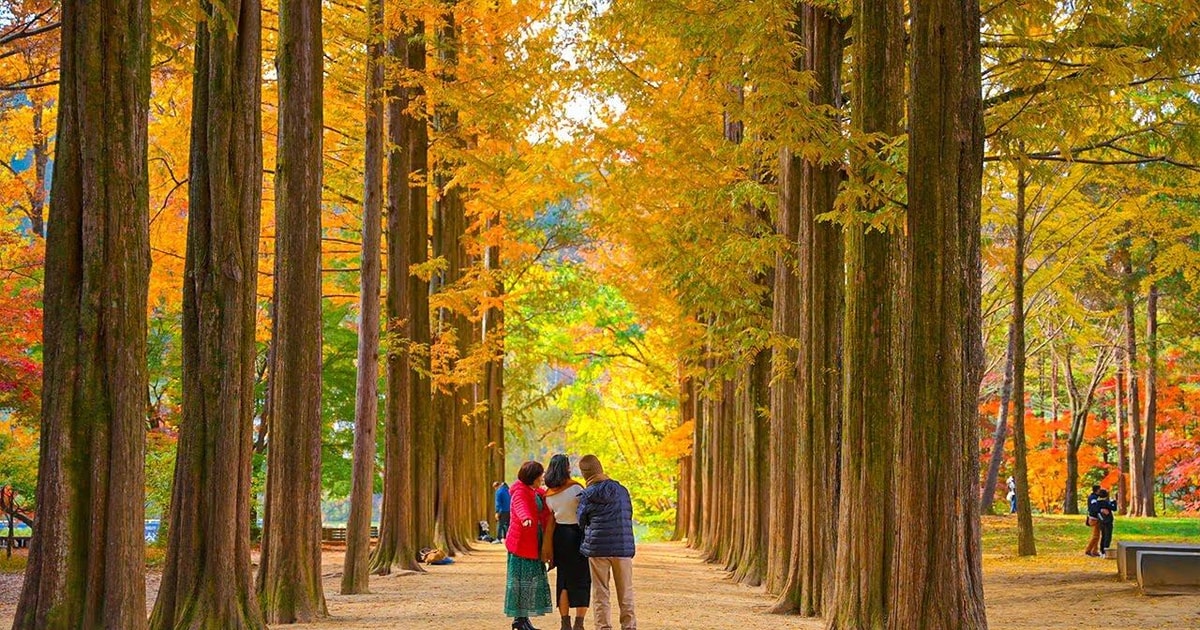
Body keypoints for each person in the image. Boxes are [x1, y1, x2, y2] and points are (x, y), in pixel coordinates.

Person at [577, 454, 636, 630]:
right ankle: (629, 626)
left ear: (585, 474)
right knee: (626, 592)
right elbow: (628, 514)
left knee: (600, 593)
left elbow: (581, 520)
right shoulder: (622, 490)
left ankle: (603, 627)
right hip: (622, 547)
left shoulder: (587, 494)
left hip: (597, 549)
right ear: (600, 468)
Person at [543, 454, 591, 630]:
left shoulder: (548, 494)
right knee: (582, 578)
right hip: (578, 535)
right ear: (566, 468)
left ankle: (565, 623)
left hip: (560, 537)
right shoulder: (576, 488)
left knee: (563, 579)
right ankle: (579, 623)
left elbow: (551, 515)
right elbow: (586, 511)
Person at [505, 462, 553, 630]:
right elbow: (520, 506)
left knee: (529, 583)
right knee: (522, 583)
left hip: (532, 545)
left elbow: (545, 500)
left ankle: (523, 620)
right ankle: (519, 620)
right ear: (533, 477)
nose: (542, 477)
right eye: (540, 475)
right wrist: (526, 518)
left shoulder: (535, 491)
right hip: (522, 547)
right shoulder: (520, 492)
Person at [1095, 488, 1118, 556]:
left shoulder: (1098, 502)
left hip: (1101, 521)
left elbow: (1096, 509)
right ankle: (1106, 550)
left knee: (1103, 535)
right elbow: (1114, 508)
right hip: (1108, 521)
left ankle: (1102, 550)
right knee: (1108, 536)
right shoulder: (1106, 503)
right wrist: (1114, 501)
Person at [1084, 484, 1103, 557]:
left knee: (1097, 535)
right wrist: (1100, 510)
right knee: (1095, 536)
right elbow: (1094, 507)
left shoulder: (1094, 497)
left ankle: (1094, 551)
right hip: (1094, 518)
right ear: (1097, 490)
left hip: (1094, 518)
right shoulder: (1093, 498)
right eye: (1099, 489)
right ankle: (1088, 550)